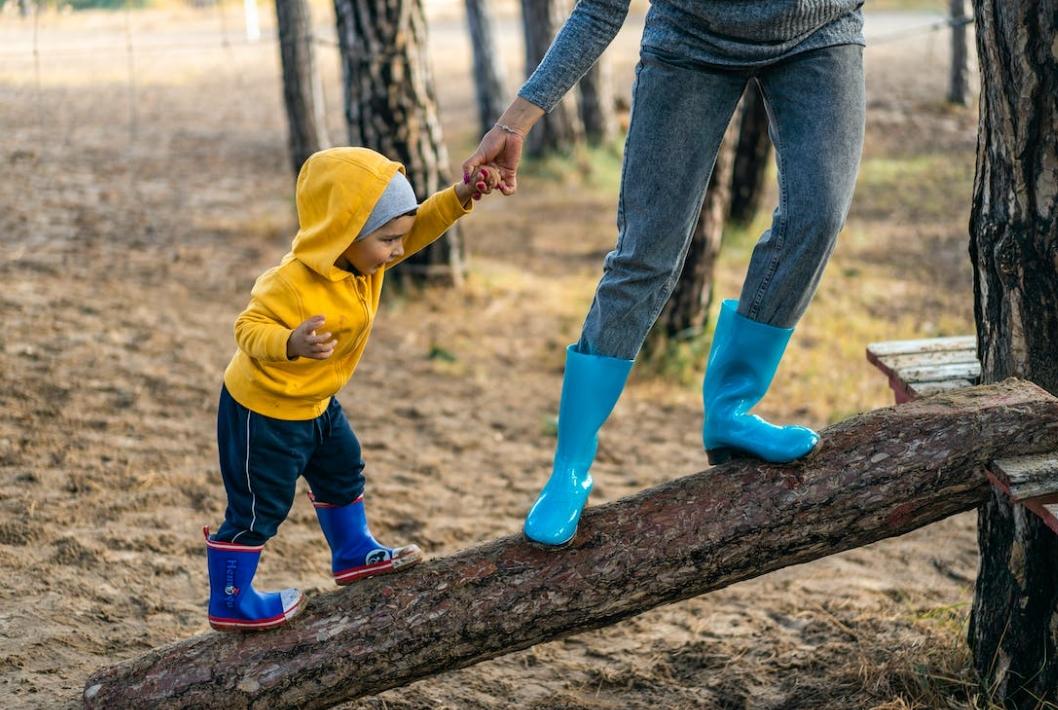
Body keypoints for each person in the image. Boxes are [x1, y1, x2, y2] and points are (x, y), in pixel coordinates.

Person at [463, 1, 867, 546]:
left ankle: (731, 410)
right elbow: (600, 9)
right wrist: (516, 121)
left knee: (817, 218)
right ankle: (570, 470)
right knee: (645, 256)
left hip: (822, 30)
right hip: (690, 41)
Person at [205, 147, 499, 631]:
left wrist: (461, 195)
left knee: (343, 468)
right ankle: (231, 599)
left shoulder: (367, 260)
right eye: (388, 240)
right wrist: (289, 342)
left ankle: (352, 552)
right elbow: (246, 327)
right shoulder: (292, 283)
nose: (398, 250)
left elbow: (418, 226)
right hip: (265, 410)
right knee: (261, 507)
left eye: (397, 239)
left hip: (317, 402)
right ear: (344, 232)